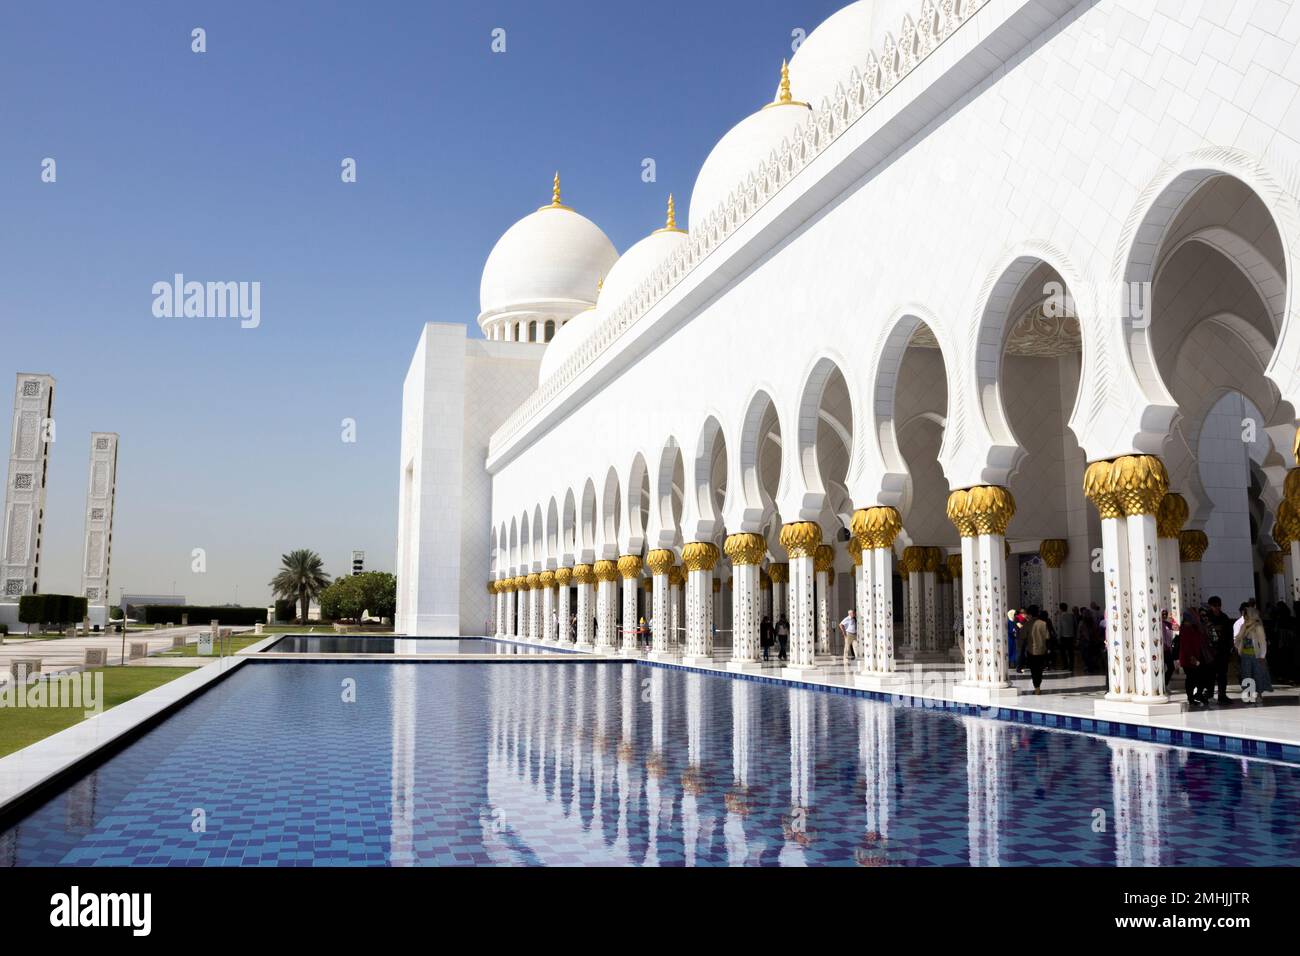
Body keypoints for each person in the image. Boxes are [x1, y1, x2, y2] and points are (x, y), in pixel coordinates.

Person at [1235, 605, 1272, 703]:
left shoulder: (1258, 626)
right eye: (1245, 615)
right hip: (1245, 655)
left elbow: (1262, 642)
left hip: (1256, 655)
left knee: (1258, 675)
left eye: (1247, 615)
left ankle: (1259, 694)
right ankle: (1248, 695)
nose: (1245, 617)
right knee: (1246, 675)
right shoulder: (1244, 626)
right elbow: (1238, 639)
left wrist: (1262, 656)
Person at [1204, 596, 1235, 704]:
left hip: (1223, 650)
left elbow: (1230, 634)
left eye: (1219, 605)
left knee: (1222, 674)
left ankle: (1222, 695)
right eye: (1214, 606)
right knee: (1210, 674)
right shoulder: (1206, 617)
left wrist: (1230, 647)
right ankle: (1209, 695)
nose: (1217, 608)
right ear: (1210, 606)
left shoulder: (1224, 617)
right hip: (1210, 651)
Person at [1178, 609, 1212, 705]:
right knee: (1191, 679)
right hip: (1189, 659)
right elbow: (1186, 645)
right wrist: (1192, 657)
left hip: (1197, 657)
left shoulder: (1195, 627)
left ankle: (1198, 695)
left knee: (1200, 677)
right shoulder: (1185, 628)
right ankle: (1191, 698)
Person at [1025, 609, 1051, 694]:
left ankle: (1036, 687)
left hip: (1031, 651)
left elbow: (1022, 636)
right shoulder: (1043, 623)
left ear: (1030, 615)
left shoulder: (1028, 624)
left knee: (1033, 670)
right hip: (1041, 650)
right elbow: (1047, 637)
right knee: (1039, 670)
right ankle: (1038, 687)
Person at [1057, 602, 1077, 673]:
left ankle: (1065, 665)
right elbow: (1075, 626)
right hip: (1071, 636)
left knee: (1063, 652)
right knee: (1071, 652)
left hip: (1063, 636)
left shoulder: (1061, 616)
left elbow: (1060, 628)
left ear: (1060, 608)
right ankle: (1071, 666)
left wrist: (1058, 637)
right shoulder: (1071, 615)